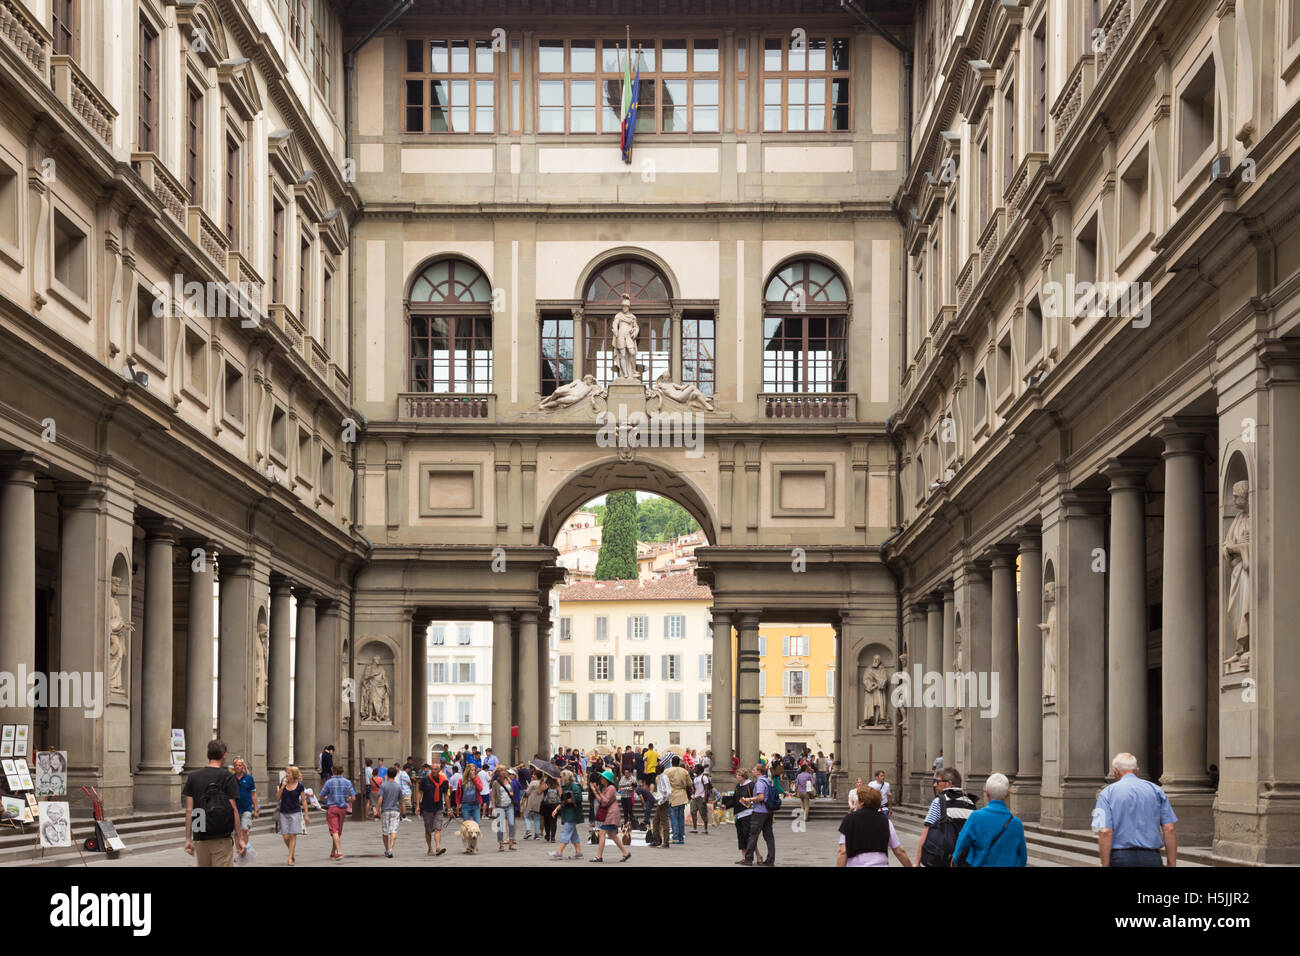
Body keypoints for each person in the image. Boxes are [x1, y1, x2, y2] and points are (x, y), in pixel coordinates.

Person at [1093, 752, 1178, 867]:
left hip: (1120, 858)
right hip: (1152, 858)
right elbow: (1169, 828)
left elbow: (1105, 832)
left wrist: (1105, 864)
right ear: (1137, 770)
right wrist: (1171, 863)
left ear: (1115, 772)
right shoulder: (1156, 790)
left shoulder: (1106, 794)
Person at [183, 738, 242, 867]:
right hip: (222, 835)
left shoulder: (193, 777)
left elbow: (189, 810)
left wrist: (188, 839)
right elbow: (234, 809)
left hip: (200, 833)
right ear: (224, 755)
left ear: (207, 755)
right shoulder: (227, 776)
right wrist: (240, 838)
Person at [951, 773, 1027, 867]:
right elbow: (1022, 857)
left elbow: (961, 847)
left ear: (987, 793)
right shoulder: (1016, 823)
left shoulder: (976, 817)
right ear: (1007, 794)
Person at [914, 768, 978, 867]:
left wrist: (917, 862)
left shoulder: (939, 801)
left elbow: (926, 831)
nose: (935, 785)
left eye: (938, 782)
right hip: (963, 859)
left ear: (949, 783)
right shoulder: (970, 803)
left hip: (943, 858)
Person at [837, 784, 910, 867]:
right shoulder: (885, 821)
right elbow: (899, 851)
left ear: (862, 802)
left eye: (857, 799)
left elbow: (843, 851)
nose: (855, 801)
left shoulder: (849, 819)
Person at [589, 769, 631, 862]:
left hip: (611, 814)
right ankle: (625, 853)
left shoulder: (611, 788)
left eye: (603, 777)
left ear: (606, 779)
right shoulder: (607, 788)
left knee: (602, 833)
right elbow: (601, 801)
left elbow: (604, 802)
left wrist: (597, 791)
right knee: (612, 835)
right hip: (610, 813)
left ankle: (599, 856)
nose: (601, 779)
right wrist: (595, 790)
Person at [739, 763, 775, 866]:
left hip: (759, 812)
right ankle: (770, 860)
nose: (752, 771)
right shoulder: (767, 781)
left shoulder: (759, 782)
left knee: (753, 835)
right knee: (769, 836)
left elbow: (760, 797)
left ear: (759, 771)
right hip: (768, 811)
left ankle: (748, 859)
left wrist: (748, 799)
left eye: (754, 770)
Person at [320, 764, 356, 861]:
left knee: (334, 831)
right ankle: (333, 853)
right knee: (338, 831)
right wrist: (347, 799)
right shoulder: (347, 782)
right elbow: (353, 798)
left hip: (332, 808)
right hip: (343, 809)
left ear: (333, 771)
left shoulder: (329, 782)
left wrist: (327, 797)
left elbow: (321, 795)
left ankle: (339, 852)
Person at [276, 765, 309, 865]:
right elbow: (277, 798)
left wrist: (306, 814)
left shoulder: (299, 786)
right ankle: (292, 852)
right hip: (283, 812)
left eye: (288, 773)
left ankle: (290, 858)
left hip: (295, 812)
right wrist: (282, 787)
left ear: (293, 775)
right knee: (285, 837)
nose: (286, 774)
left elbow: (303, 800)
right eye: (286, 772)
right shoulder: (283, 784)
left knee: (292, 835)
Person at [549, 769, 585, 859]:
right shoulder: (564, 786)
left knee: (565, 831)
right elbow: (562, 799)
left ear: (565, 777)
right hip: (567, 813)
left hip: (572, 813)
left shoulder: (574, 786)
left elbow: (578, 798)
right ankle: (578, 852)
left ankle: (559, 852)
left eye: (561, 777)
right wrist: (556, 809)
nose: (560, 778)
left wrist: (567, 801)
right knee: (573, 834)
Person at [420, 757, 450, 857]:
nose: (433, 771)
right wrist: (417, 806)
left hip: (438, 808)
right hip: (427, 808)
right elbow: (420, 792)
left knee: (437, 829)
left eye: (435, 769)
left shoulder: (444, 781)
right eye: (432, 769)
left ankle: (438, 847)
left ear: (439, 770)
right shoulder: (425, 780)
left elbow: (446, 795)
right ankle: (429, 848)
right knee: (428, 830)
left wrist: (449, 808)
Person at [230, 756, 258, 858]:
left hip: (246, 808)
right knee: (237, 832)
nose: (237, 767)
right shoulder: (230, 779)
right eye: (236, 765)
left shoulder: (249, 778)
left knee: (245, 829)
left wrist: (256, 809)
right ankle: (239, 850)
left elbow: (253, 795)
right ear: (234, 767)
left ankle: (244, 847)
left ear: (243, 767)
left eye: (239, 765)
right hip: (234, 810)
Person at [730, 769, 758, 863]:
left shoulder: (750, 785)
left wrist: (748, 801)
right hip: (738, 814)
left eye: (739, 775)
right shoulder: (738, 785)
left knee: (747, 836)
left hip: (748, 813)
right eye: (737, 775)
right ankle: (744, 857)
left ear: (743, 776)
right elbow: (735, 799)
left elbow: (755, 798)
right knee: (741, 836)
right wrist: (726, 805)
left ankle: (750, 857)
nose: (737, 776)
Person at [664, 755, 692, 844]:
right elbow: (690, 783)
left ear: (671, 762)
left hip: (672, 796)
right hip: (682, 796)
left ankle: (675, 836)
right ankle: (681, 838)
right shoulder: (684, 771)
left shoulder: (667, 771)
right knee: (680, 817)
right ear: (679, 762)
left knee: (673, 817)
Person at [377, 765, 402, 858]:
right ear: (395, 775)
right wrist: (401, 809)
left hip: (385, 810)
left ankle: (387, 849)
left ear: (387, 774)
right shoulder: (398, 786)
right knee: (393, 830)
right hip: (395, 810)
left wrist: (377, 809)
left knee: (385, 831)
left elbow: (380, 798)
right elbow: (400, 800)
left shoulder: (383, 785)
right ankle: (391, 849)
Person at [490, 766, 517, 851]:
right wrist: (493, 807)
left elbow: (512, 790)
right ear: (498, 772)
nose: (503, 772)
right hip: (500, 806)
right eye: (501, 770)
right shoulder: (495, 783)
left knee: (512, 824)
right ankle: (501, 844)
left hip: (509, 805)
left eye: (505, 770)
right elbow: (493, 796)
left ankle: (511, 842)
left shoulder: (509, 780)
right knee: (500, 826)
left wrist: (512, 793)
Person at [650, 763, 673, 848]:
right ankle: (656, 840)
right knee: (656, 821)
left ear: (659, 770)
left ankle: (665, 842)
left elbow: (667, 792)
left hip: (663, 802)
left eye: (656, 769)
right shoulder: (661, 777)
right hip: (662, 801)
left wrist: (661, 801)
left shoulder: (663, 778)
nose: (655, 771)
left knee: (664, 821)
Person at [690, 766, 711, 834]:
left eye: (696, 768)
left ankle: (705, 829)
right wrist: (693, 794)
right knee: (693, 812)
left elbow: (706, 789)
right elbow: (695, 789)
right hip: (695, 797)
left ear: (699, 770)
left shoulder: (704, 777)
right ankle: (695, 829)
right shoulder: (695, 778)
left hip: (701, 797)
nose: (694, 770)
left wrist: (704, 798)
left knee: (703, 814)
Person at [524, 771, 543, 840]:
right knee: (536, 818)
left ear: (537, 776)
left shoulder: (533, 782)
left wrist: (527, 788)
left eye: (534, 774)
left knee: (526, 816)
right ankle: (537, 834)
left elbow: (527, 792)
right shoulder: (542, 783)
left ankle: (528, 831)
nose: (532, 775)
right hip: (539, 802)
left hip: (531, 802)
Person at [539, 775, 559, 842]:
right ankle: (553, 837)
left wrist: (543, 782)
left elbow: (539, 792)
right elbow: (561, 794)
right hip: (555, 805)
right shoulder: (557, 784)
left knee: (546, 820)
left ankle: (547, 835)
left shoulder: (546, 783)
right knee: (554, 821)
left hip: (546, 805)